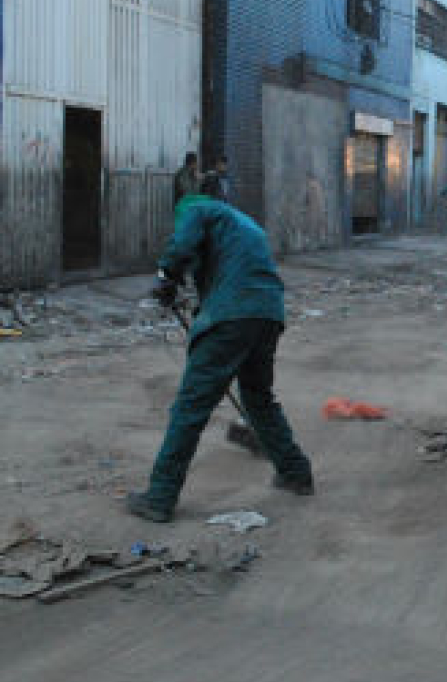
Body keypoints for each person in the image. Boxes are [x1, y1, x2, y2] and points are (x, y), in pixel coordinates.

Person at [125, 190, 315, 522]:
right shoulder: (244, 225)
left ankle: (160, 496)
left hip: (233, 314)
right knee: (258, 398)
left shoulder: (197, 209)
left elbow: (181, 247)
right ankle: (295, 473)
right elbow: (230, 273)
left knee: (191, 406)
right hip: (268, 314)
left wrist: (166, 277)